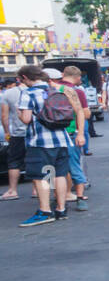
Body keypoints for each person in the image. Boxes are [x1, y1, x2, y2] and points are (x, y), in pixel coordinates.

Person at [16, 63, 84, 226]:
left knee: (41, 177)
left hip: (40, 141)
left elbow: (26, 119)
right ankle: (61, 209)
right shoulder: (55, 90)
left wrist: (19, 113)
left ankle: (45, 211)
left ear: (25, 77)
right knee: (60, 174)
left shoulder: (28, 93)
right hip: (62, 139)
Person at [56, 66, 90, 211]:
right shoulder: (77, 91)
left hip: (53, 134)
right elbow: (85, 113)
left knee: (57, 168)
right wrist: (81, 132)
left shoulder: (50, 90)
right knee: (75, 165)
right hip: (71, 132)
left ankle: (62, 197)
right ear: (77, 77)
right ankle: (80, 196)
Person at [2, 79, 34, 201]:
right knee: (35, 160)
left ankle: (12, 190)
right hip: (35, 133)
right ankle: (37, 190)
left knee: (14, 161)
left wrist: (6, 132)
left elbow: (4, 116)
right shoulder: (37, 91)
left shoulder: (8, 94)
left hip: (17, 133)